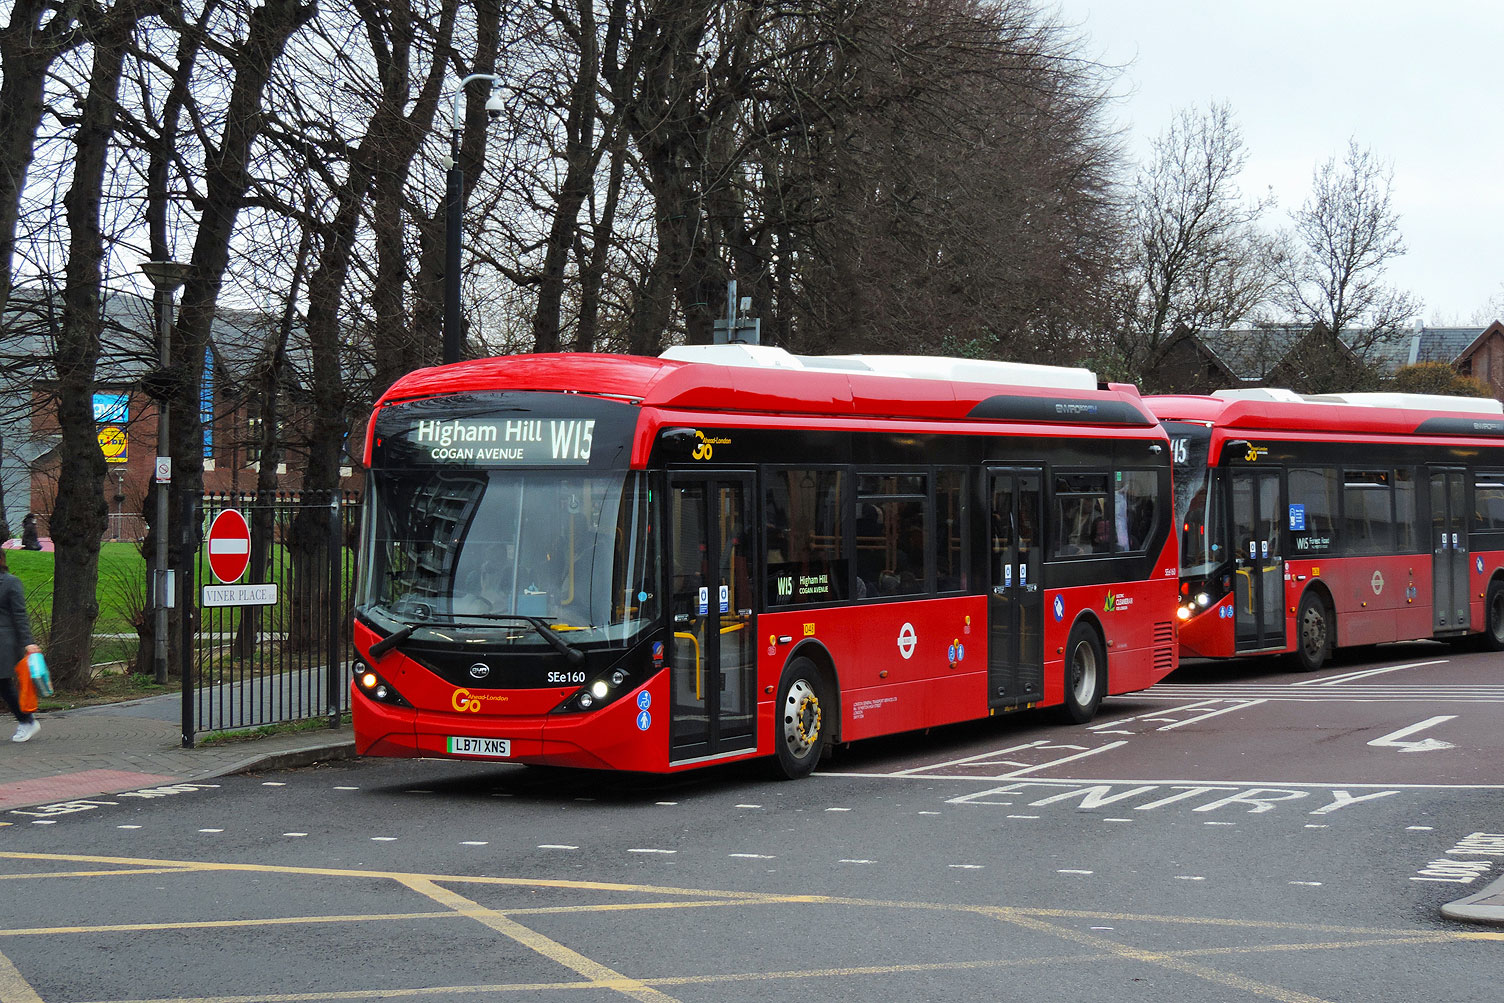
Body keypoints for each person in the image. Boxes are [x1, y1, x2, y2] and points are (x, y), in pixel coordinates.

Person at [0, 549, 42, 742]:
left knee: (3, 684)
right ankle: (26, 720)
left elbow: (20, 615)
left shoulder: (10, 583)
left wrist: (28, 642)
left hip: (5, 642)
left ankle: (27, 721)